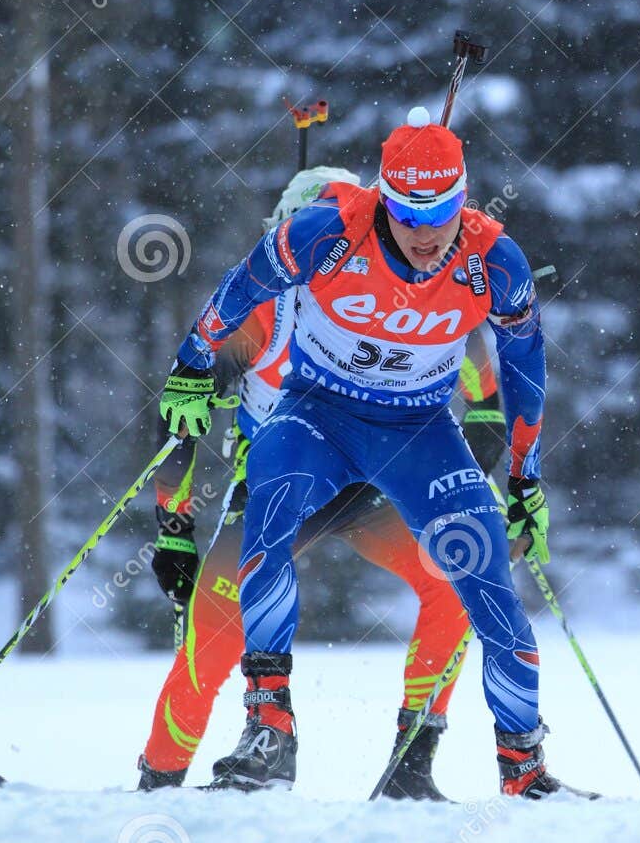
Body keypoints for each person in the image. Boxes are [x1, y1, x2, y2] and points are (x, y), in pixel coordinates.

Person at [158, 108, 593, 798]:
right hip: (314, 425)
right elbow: (228, 306)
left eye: (441, 210)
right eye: (407, 212)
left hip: (411, 437)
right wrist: (188, 375)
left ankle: (512, 769)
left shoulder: (490, 262)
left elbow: (513, 373)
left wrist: (521, 478)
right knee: (225, 601)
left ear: (464, 197)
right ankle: (243, 740)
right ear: (380, 198)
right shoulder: (317, 241)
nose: (425, 233)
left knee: (477, 573)